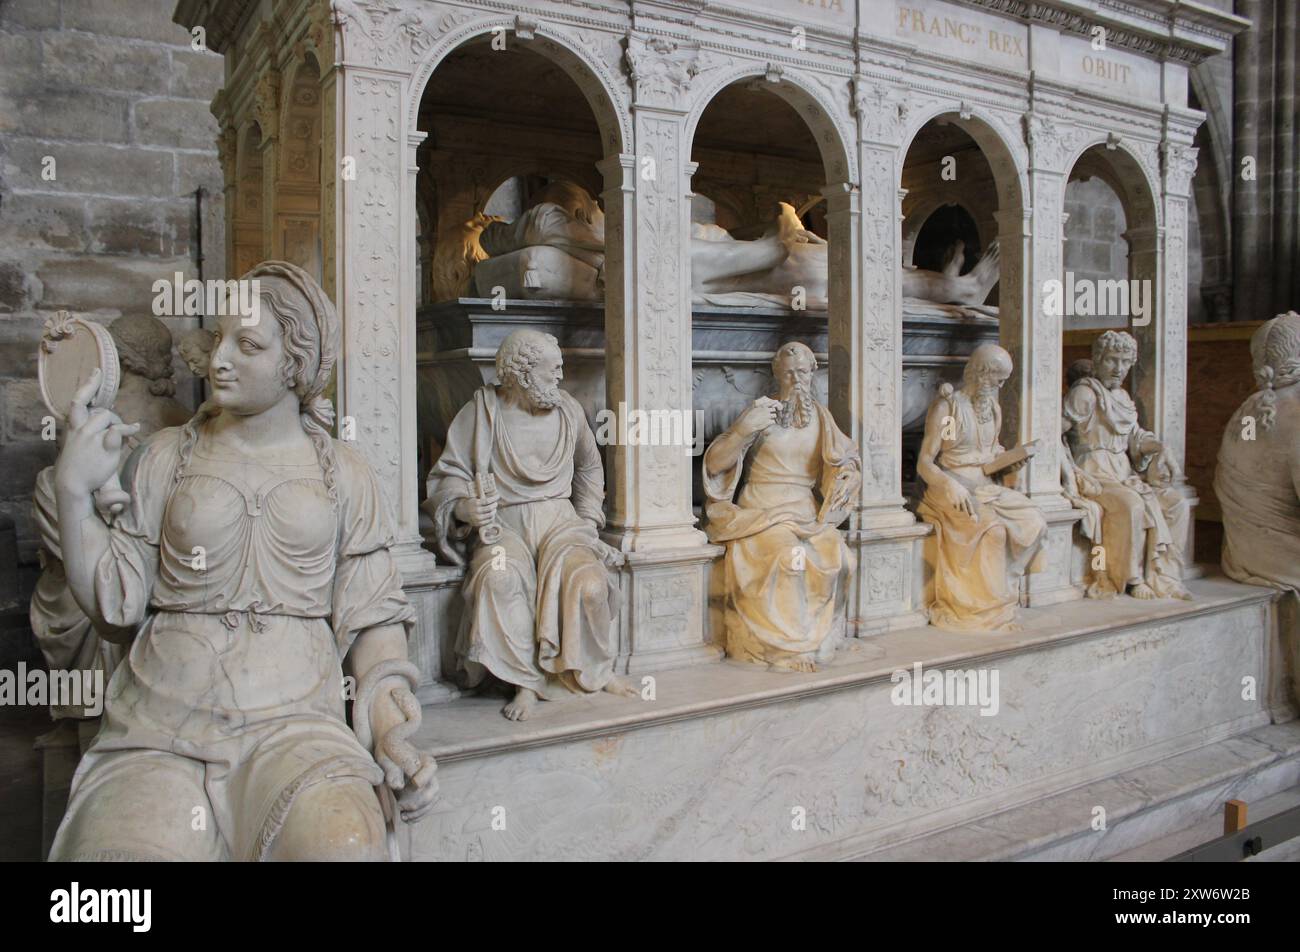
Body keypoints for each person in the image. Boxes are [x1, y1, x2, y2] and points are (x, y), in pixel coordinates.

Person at [48, 261, 436, 861]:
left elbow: (375, 619)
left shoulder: (345, 473)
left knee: (344, 849)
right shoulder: (163, 456)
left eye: (247, 344)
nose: (218, 358)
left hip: (298, 727)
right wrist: (74, 494)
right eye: (220, 337)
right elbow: (114, 606)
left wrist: (390, 731)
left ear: (296, 364)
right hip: (162, 726)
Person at [425, 329, 637, 721]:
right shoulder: (482, 412)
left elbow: (589, 468)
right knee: (499, 579)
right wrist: (464, 508)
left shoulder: (568, 410)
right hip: (505, 525)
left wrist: (588, 521)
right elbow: (447, 475)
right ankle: (524, 682)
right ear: (523, 375)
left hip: (561, 523)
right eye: (552, 369)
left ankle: (594, 671)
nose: (560, 376)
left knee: (589, 583)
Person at [703, 341, 860, 670]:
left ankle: (818, 635)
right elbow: (716, 463)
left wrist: (847, 478)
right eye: (788, 373)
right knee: (790, 558)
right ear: (777, 373)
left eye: (802, 372)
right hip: (762, 512)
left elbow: (845, 460)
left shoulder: (821, 416)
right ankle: (785, 648)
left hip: (805, 513)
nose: (796, 380)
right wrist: (743, 429)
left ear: (813, 371)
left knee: (843, 558)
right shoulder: (762, 411)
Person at [916, 344, 1046, 630]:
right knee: (994, 530)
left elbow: (992, 452)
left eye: (1004, 380)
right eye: (998, 378)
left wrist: (1009, 463)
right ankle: (984, 610)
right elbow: (925, 462)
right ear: (981, 373)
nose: (1000, 385)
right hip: (951, 487)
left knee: (1034, 520)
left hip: (987, 486)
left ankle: (1003, 589)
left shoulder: (994, 410)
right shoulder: (948, 408)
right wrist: (950, 484)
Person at [1062, 330, 1191, 599]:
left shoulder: (1121, 398)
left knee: (1176, 503)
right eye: (1111, 360)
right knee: (1130, 505)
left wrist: (1160, 447)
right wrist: (1066, 471)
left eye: (1125, 362)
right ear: (1098, 360)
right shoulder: (1084, 393)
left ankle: (1164, 574)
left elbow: (1136, 437)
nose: (1118, 368)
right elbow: (1055, 432)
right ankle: (1131, 578)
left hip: (1123, 472)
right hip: (1095, 472)